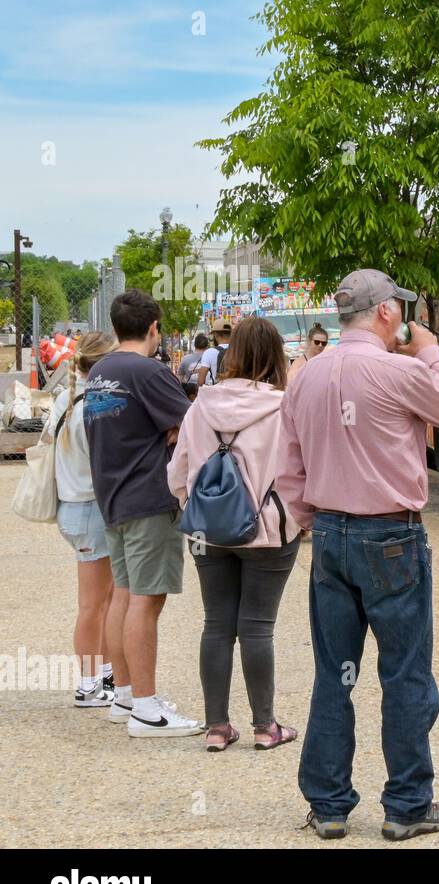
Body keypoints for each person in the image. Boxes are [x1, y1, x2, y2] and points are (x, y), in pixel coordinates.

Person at [278, 268, 439, 841]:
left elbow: (288, 468)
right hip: (392, 536)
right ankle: (407, 804)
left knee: (334, 674)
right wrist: (435, 353)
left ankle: (330, 803)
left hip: (331, 537)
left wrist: (313, 522)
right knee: (405, 671)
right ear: (387, 313)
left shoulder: (308, 376)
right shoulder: (400, 370)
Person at [168, 317, 303, 753]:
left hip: (208, 530)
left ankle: (217, 727)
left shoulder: (200, 406)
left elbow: (178, 473)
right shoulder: (285, 408)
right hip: (269, 530)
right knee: (258, 628)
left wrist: (194, 506)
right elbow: (299, 473)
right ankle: (266, 727)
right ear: (276, 357)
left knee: (216, 624)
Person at [83, 289, 201, 737]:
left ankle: (128, 696)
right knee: (147, 602)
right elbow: (190, 425)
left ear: (115, 328)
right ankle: (148, 710)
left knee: (125, 596)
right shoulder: (148, 371)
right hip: (149, 497)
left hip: (112, 496)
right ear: (154, 328)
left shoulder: (101, 370)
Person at [44, 331, 119, 707]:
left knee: (101, 599)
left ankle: (102, 672)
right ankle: (89, 683)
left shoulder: (64, 398)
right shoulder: (99, 404)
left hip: (71, 506)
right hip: (91, 507)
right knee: (93, 603)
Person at [196, 320, 232, 385]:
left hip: (217, 392)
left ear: (215, 335)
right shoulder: (239, 351)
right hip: (236, 392)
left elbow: (201, 381)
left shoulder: (209, 353)